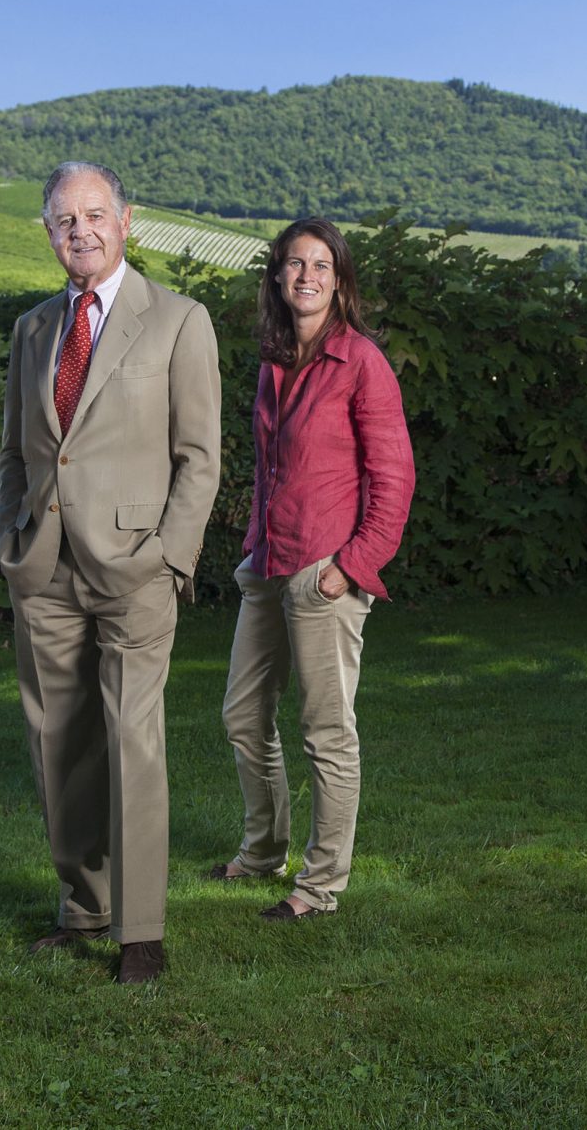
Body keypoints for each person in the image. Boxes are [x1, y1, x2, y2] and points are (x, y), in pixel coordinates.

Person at [0, 161, 221, 983]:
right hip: (44, 568)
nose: (80, 230)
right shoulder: (31, 330)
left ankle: (141, 929)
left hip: (136, 567)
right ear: (48, 232)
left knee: (131, 738)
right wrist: (13, 535)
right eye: (64, 219)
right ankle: (83, 906)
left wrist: (167, 557)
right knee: (60, 743)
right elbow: (14, 452)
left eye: (94, 215)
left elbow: (199, 457)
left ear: (126, 220)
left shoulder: (179, 320)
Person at [210, 217, 414, 921]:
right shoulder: (275, 359)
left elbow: (394, 479)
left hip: (324, 572)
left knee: (326, 732)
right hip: (269, 563)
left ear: (340, 280)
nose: (307, 276)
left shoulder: (361, 361)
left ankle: (320, 885)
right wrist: (252, 545)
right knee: (243, 716)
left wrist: (351, 566)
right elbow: (269, 467)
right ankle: (263, 849)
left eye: (321, 265)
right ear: (277, 276)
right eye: (295, 263)